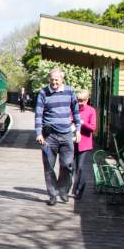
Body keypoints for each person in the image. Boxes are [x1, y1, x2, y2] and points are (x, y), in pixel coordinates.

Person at [34, 68, 81, 206]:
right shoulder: (43, 93)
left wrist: (78, 129)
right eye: (52, 80)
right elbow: (38, 114)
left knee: (67, 165)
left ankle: (64, 190)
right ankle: (52, 194)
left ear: (62, 79)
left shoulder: (70, 91)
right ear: (49, 79)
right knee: (48, 166)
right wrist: (38, 133)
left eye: (57, 80)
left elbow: (76, 111)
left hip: (66, 135)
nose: (54, 82)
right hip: (49, 137)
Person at [72, 89, 96, 199]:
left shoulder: (91, 111)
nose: (80, 103)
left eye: (82, 100)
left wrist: (82, 123)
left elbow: (93, 127)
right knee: (71, 167)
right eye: (78, 100)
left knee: (80, 167)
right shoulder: (72, 109)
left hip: (84, 143)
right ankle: (72, 187)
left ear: (87, 100)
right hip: (72, 142)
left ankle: (79, 190)